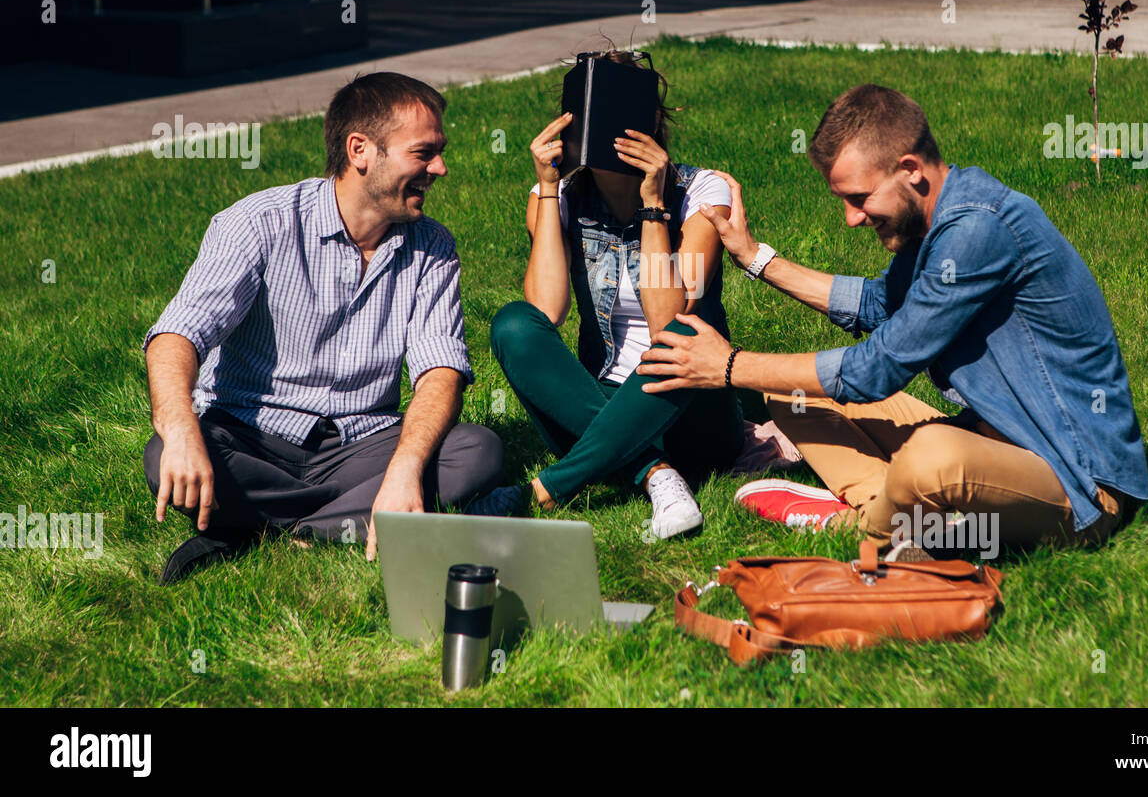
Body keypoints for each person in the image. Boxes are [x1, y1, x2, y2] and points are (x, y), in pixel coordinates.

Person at [635, 83, 1148, 556]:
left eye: (859, 199)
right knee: (792, 392)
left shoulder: (976, 232)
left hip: (1074, 481)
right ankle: (890, 506)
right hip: (989, 438)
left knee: (930, 454)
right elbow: (881, 305)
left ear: (910, 169)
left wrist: (727, 367)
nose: (852, 218)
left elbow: (875, 371)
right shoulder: (937, 213)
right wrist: (757, 259)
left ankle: (868, 527)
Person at [142, 72, 519, 584]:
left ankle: (266, 531)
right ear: (360, 150)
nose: (441, 168)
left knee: (476, 452)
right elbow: (177, 335)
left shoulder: (433, 247)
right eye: (424, 153)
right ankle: (342, 521)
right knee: (165, 452)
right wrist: (183, 430)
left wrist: (404, 470)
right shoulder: (259, 222)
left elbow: (440, 371)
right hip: (252, 440)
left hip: (361, 447)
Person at [490, 50, 744, 539]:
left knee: (685, 330)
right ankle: (657, 474)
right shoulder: (559, 199)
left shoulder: (702, 194)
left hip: (691, 409)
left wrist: (653, 207)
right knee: (511, 324)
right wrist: (547, 188)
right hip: (601, 399)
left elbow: (668, 323)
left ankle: (540, 491)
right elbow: (545, 311)